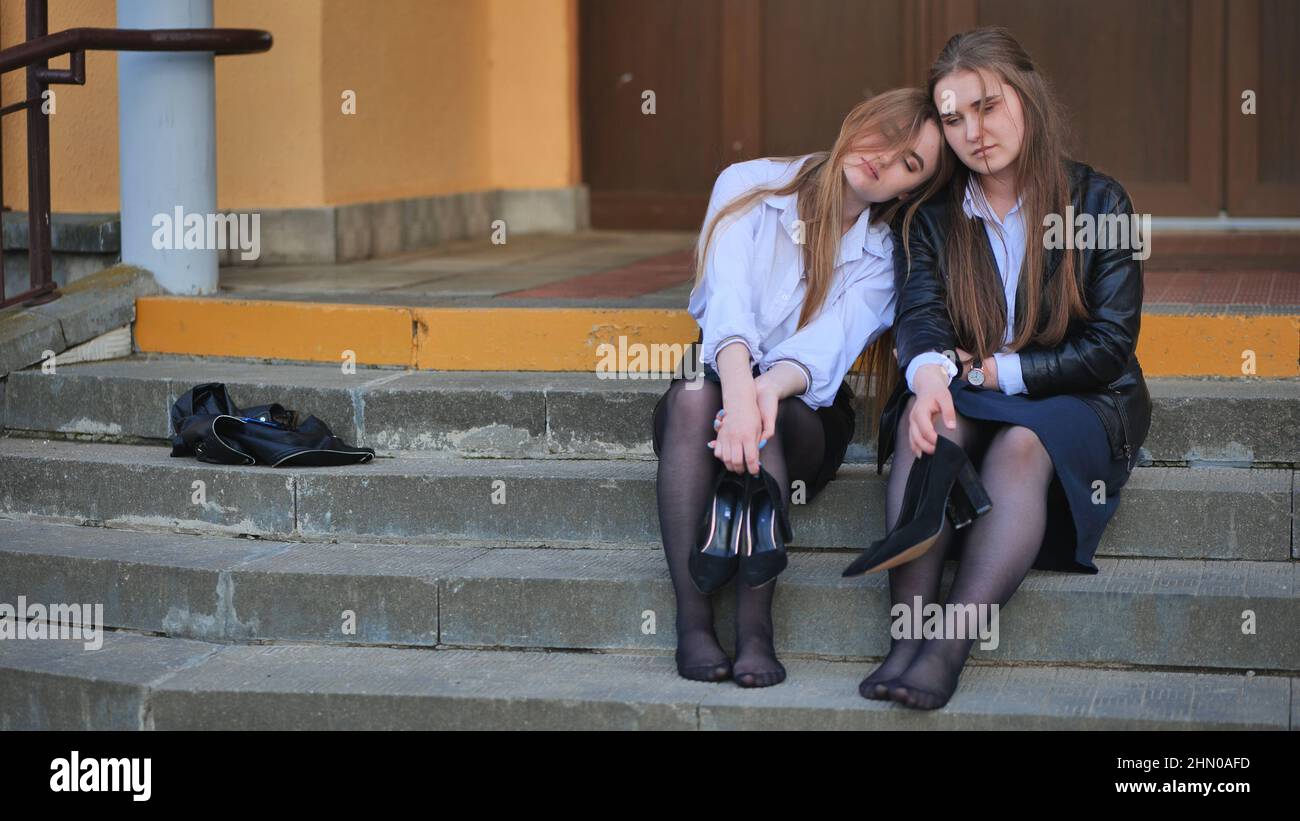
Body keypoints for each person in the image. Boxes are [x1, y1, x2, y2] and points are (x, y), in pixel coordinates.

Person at [853, 26, 1153, 709]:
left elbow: (1110, 344)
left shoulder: (1100, 203)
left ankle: (949, 645)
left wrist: (997, 372)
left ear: (1027, 96)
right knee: (931, 430)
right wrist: (930, 377)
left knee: (1021, 445)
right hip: (968, 387)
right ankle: (905, 638)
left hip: (1077, 395)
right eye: (954, 118)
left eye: (987, 106)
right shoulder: (931, 215)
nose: (972, 133)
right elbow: (922, 314)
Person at [650, 88, 952, 687]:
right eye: (885, 136)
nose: (884, 159)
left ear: (907, 191)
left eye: (908, 165)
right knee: (692, 399)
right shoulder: (747, 185)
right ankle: (693, 623)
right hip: (719, 376)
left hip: (806, 408)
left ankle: (756, 628)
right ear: (858, 118)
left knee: (760, 421)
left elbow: (825, 351)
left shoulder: (881, 255)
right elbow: (726, 309)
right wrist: (737, 396)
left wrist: (761, 397)